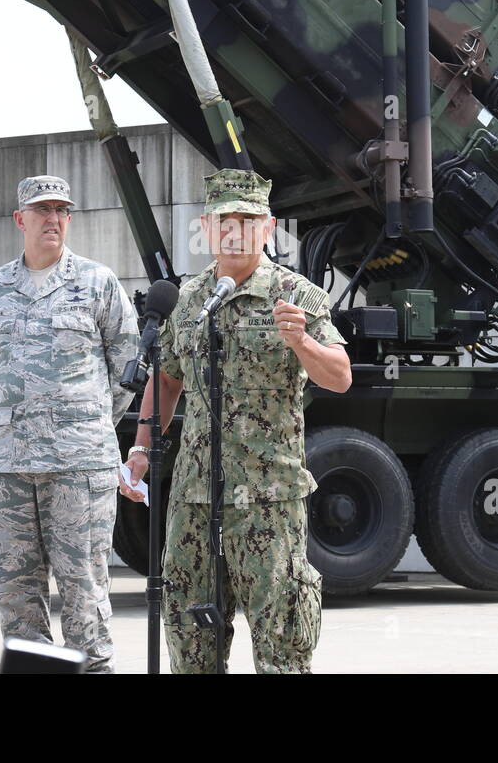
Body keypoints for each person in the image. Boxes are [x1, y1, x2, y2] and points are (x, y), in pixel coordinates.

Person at [122, 168, 351, 674]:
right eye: (225, 220)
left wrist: (302, 342)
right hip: (194, 497)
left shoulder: (298, 295)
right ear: (206, 226)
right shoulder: (188, 301)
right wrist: (140, 450)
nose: (235, 230)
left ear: (267, 228)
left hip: (268, 498)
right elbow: (166, 382)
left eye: (247, 220)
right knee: (188, 629)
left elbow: (339, 377)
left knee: (281, 634)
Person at [0, 175, 138, 673]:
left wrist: (82, 425)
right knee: (15, 592)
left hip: (79, 466)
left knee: (83, 587)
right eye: (42, 210)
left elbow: (127, 370)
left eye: (62, 210)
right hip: (10, 465)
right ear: (20, 220)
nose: (53, 218)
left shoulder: (97, 282)